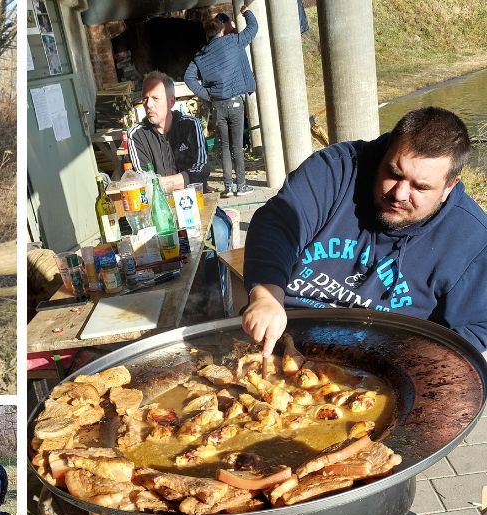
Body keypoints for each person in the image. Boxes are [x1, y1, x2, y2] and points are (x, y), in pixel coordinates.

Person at [241, 106, 487, 355]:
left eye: (420, 187)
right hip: (285, 331)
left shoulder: (470, 239)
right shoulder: (335, 170)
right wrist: (266, 296)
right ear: (385, 154)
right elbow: (277, 224)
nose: (399, 194)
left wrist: (417, 360)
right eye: (393, 173)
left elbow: (478, 327)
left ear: (449, 186)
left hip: (387, 358)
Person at [184, 4, 258, 197]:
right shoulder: (233, 42)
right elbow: (253, 28)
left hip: (217, 105)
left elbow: (188, 77)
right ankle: (241, 186)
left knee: (224, 146)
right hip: (235, 103)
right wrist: (246, 12)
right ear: (221, 29)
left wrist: (206, 94)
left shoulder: (200, 55)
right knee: (236, 146)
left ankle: (227, 186)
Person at [126, 71, 211, 193]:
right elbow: (144, 181)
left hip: (194, 199)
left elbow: (202, 169)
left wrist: (159, 183)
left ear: (171, 102)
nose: (148, 104)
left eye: (155, 98)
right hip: (160, 204)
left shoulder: (190, 125)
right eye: (145, 99)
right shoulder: (136, 134)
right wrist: (186, 179)